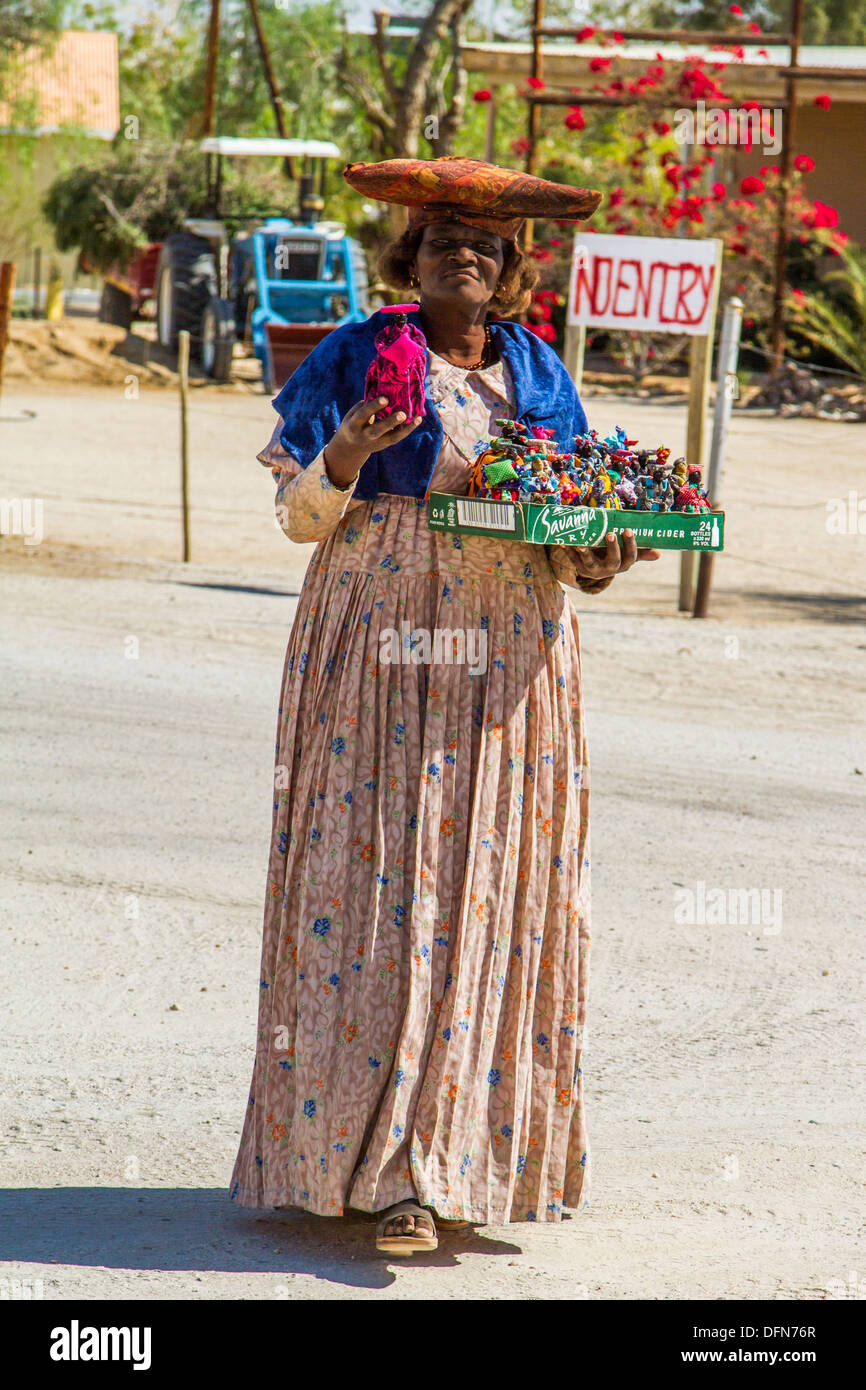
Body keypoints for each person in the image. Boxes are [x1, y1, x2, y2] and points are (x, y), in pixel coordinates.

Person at [229, 156, 659, 1256]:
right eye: (437, 241)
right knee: (374, 892)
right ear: (407, 261)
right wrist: (347, 452)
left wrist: (602, 558)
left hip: (511, 656)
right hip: (373, 643)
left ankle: (456, 1157)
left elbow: (571, 535)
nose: (459, 254)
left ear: (512, 269)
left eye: (482, 244)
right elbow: (295, 517)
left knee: (483, 892)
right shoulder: (359, 359)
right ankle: (369, 1170)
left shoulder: (540, 377)